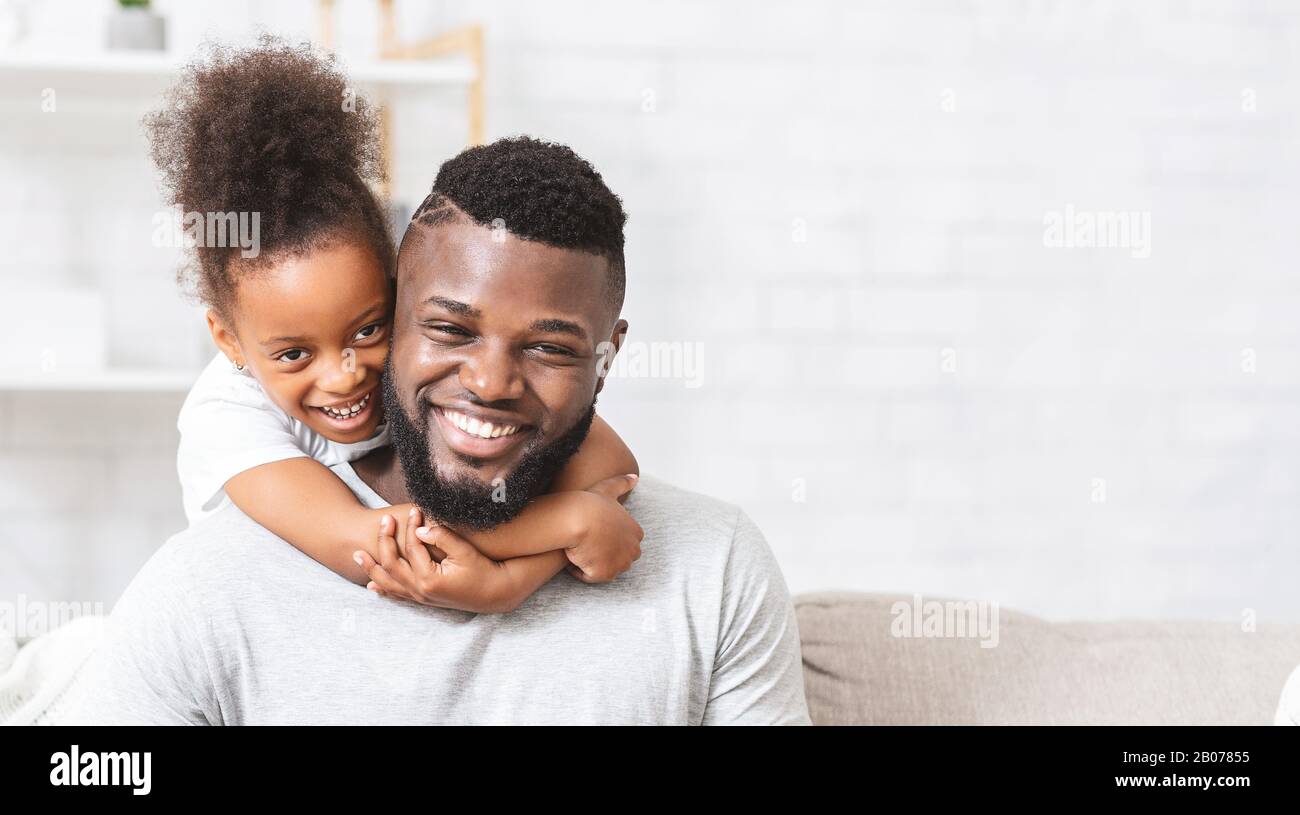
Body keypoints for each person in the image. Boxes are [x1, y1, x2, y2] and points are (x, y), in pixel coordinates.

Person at [69, 132, 811, 725]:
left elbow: (613, 462)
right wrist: (509, 576)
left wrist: (540, 552)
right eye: (451, 329)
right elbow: (385, 542)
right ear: (406, 310)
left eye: (550, 347)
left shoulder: (717, 566)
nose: (490, 382)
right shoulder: (210, 560)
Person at [149, 39, 643, 611]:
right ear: (229, 340)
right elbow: (373, 540)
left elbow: (613, 464)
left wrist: (548, 546)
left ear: (395, 291)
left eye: (366, 330)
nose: (343, 375)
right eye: (293, 355)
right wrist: (553, 541)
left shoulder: (415, 369)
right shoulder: (228, 419)